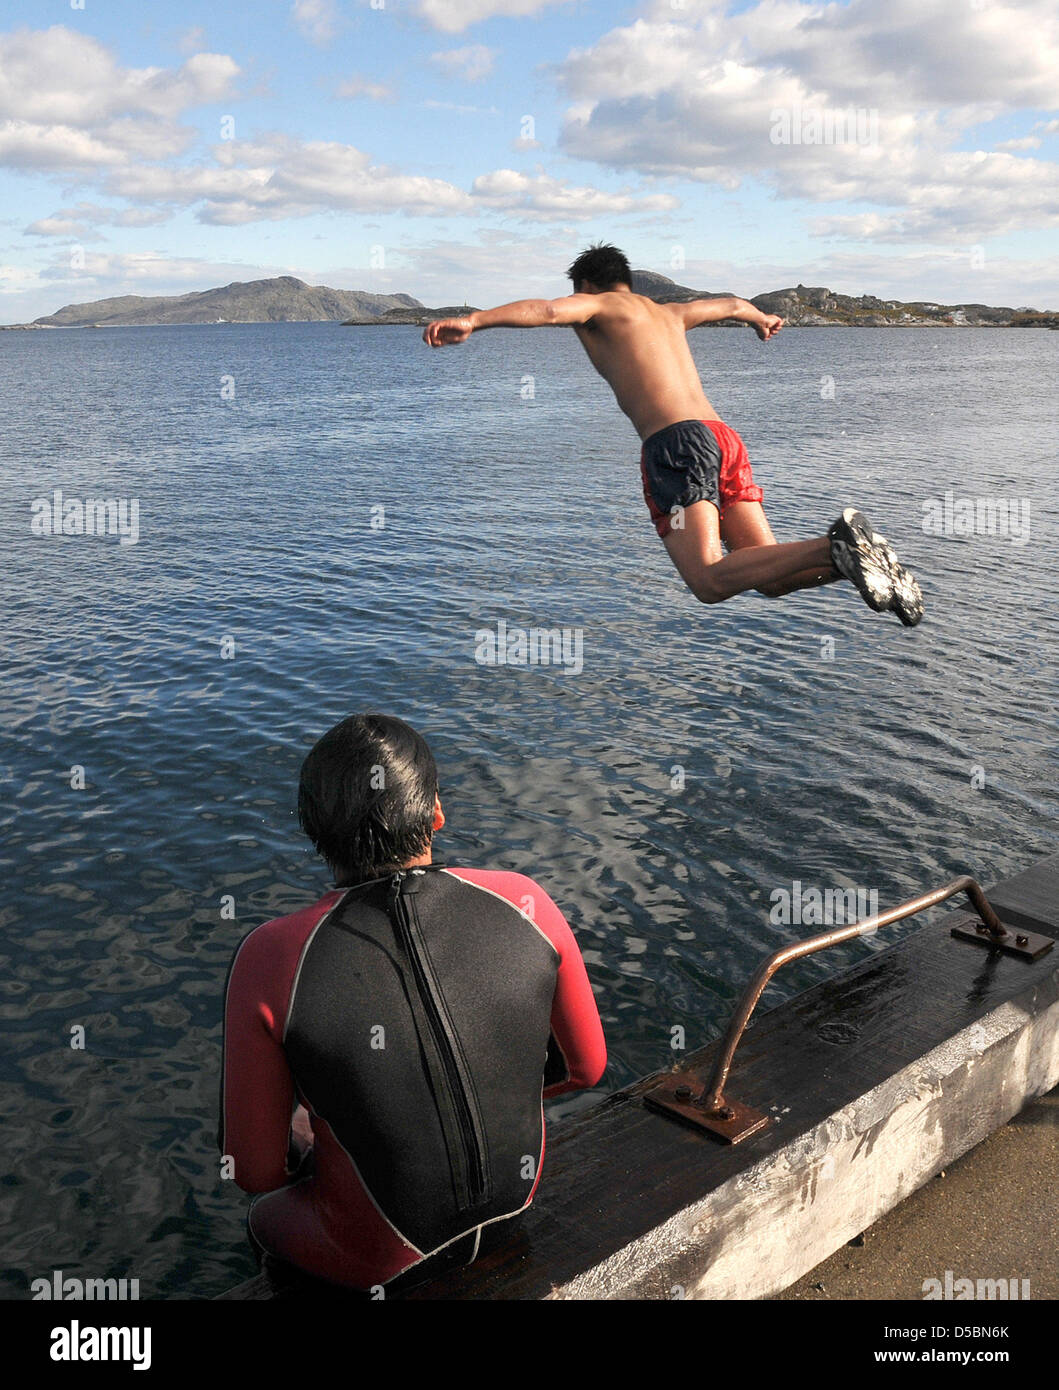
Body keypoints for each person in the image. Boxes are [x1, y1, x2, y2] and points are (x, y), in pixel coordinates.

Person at [218, 713, 606, 1293]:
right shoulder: (527, 901)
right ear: (436, 814)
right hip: (513, 1208)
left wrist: (323, 1129)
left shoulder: (271, 955)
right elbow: (585, 1069)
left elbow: (254, 1172)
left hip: (386, 1254)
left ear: (313, 831)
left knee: (264, 1219)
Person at [423, 242, 923, 626]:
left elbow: (550, 312)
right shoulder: (669, 312)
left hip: (676, 443)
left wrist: (474, 320)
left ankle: (835, 545)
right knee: (765, 576)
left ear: (588, 286)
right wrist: (761, 318)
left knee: (707, 579)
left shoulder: (600, 307)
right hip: (722, 436)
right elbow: (729, 303)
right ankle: (856, 561)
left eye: (579, 292)